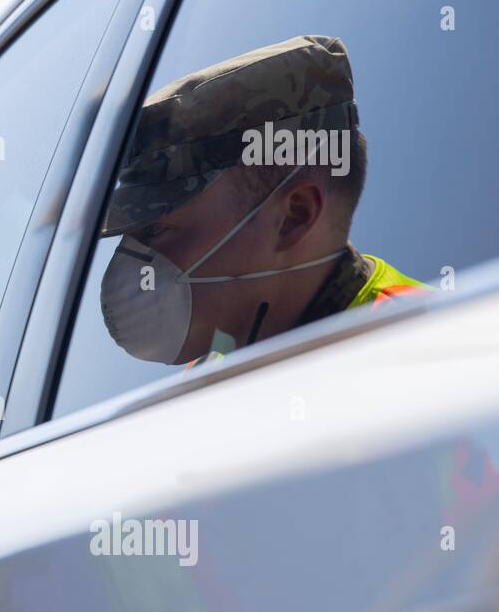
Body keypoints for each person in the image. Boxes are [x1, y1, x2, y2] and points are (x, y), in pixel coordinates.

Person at [99, 34, 423, 368]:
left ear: (293, 216)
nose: (131, 261)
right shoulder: (212, 373)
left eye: (154, 229)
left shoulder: (420, 354)